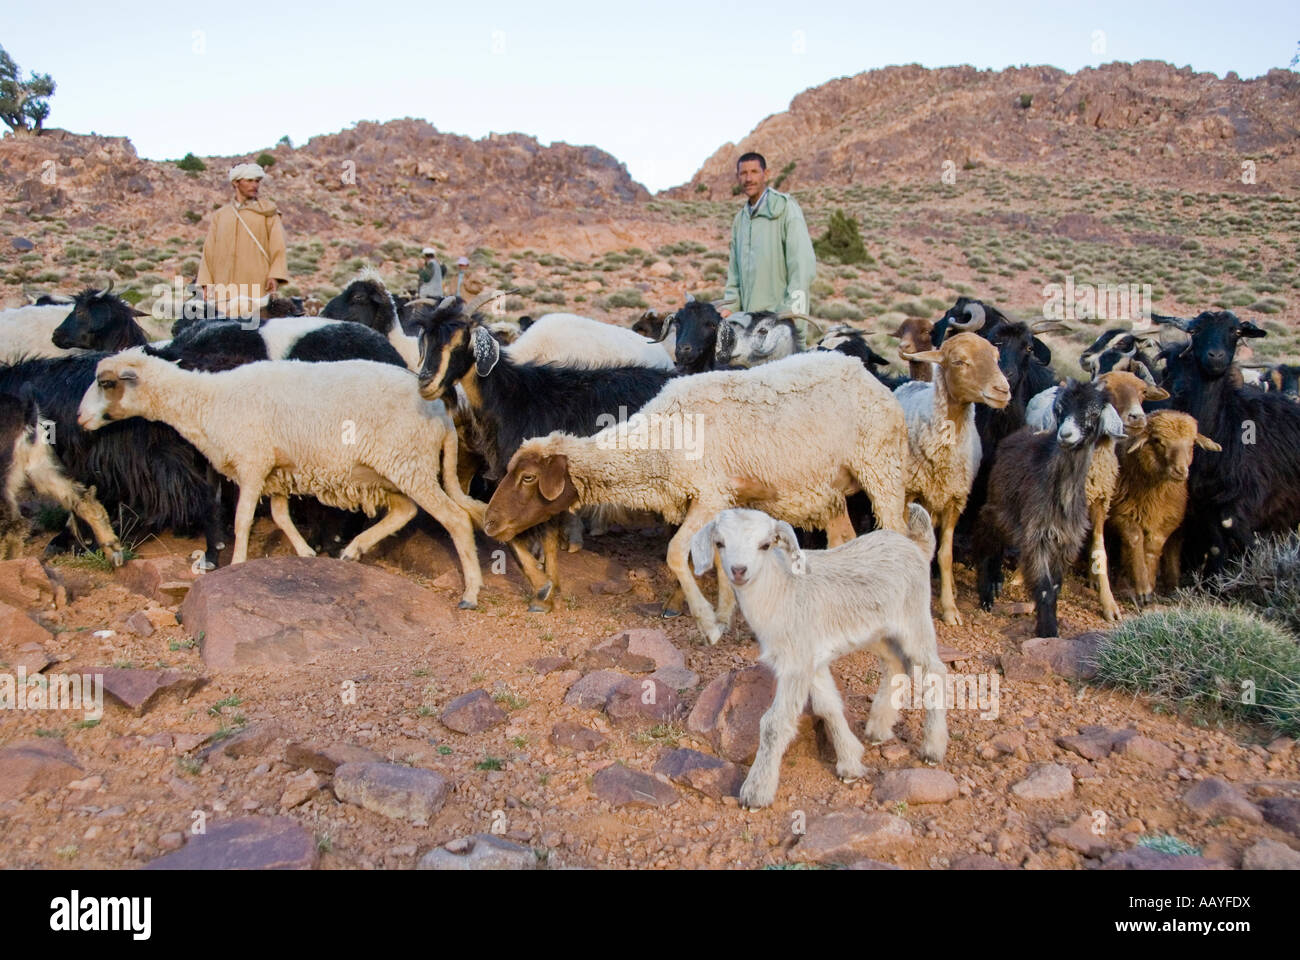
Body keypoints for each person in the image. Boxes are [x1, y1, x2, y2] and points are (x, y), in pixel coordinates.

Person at [722, 152, 816, 341]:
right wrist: (729, 308)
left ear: (766, 174)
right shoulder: (740, 220)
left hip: (781, 325)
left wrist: (790, 315)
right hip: (749, 329)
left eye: (754, 172)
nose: (749, 178)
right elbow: (734, 275)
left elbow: (802, 267)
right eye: (743, 173)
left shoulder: (785, 208)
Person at [197, 162, 288, 311]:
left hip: (256, 286)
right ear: (236, 183)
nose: (254, 185)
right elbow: (209, 252)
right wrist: (206, 283)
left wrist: (275, 276)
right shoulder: (221, 215)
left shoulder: (268, 213)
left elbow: (278, 247)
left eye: (257, 181)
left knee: (252, 330)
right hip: (223, 289)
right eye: (249, 181)